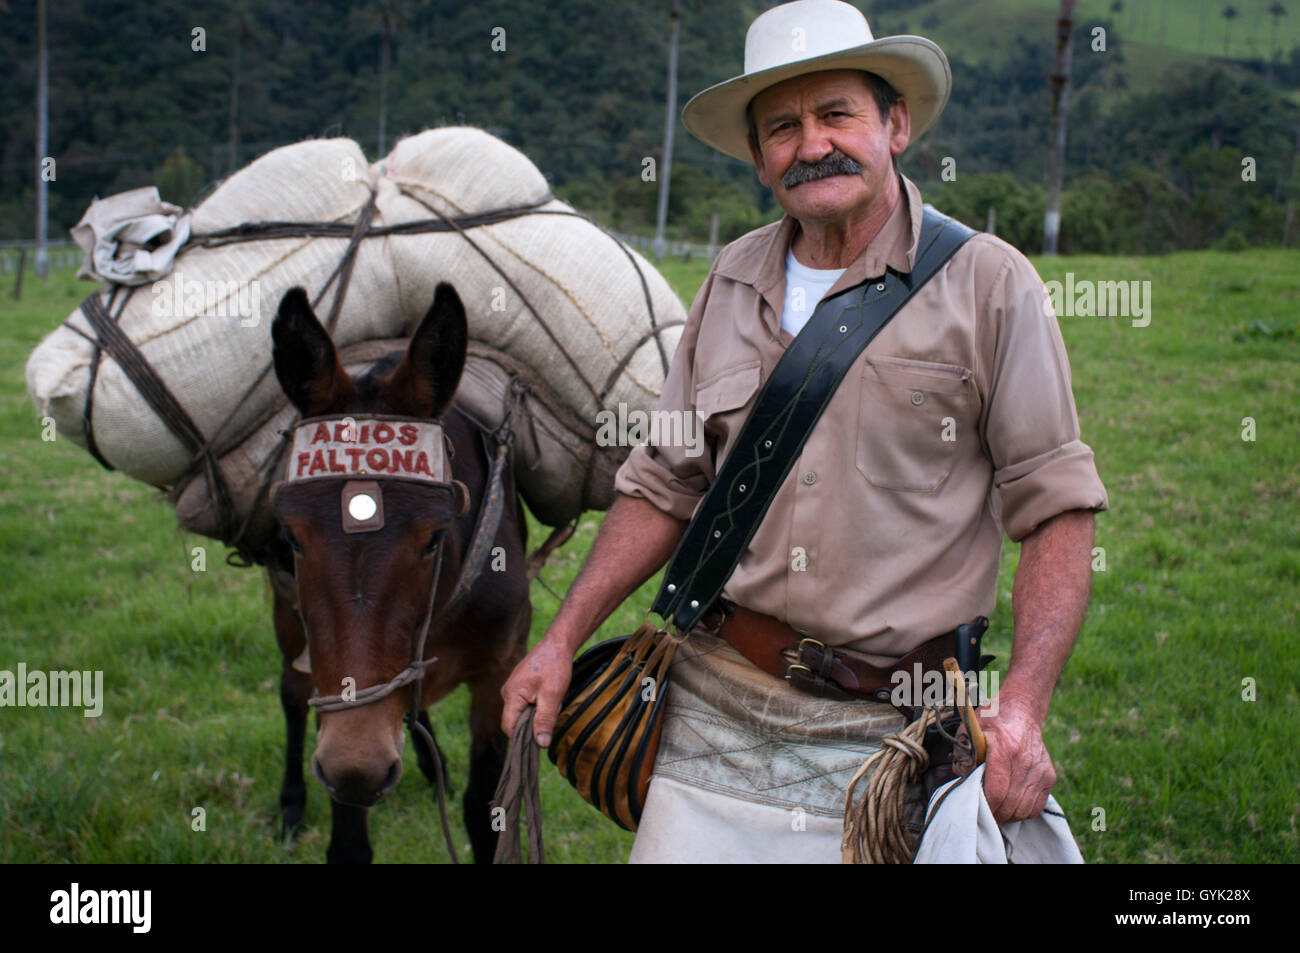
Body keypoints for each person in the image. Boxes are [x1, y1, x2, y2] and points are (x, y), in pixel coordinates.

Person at [501, 0, 1108, 862]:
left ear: (895, 124)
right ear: (758, 158)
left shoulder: (989, 284)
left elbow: (1058, 508)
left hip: (897, 736)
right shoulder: (730, 279)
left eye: (836, 114)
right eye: (782, 127)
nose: (811, 143)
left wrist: (1023, 711)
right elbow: (664, 482)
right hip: (717, 710)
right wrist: (559, 641)